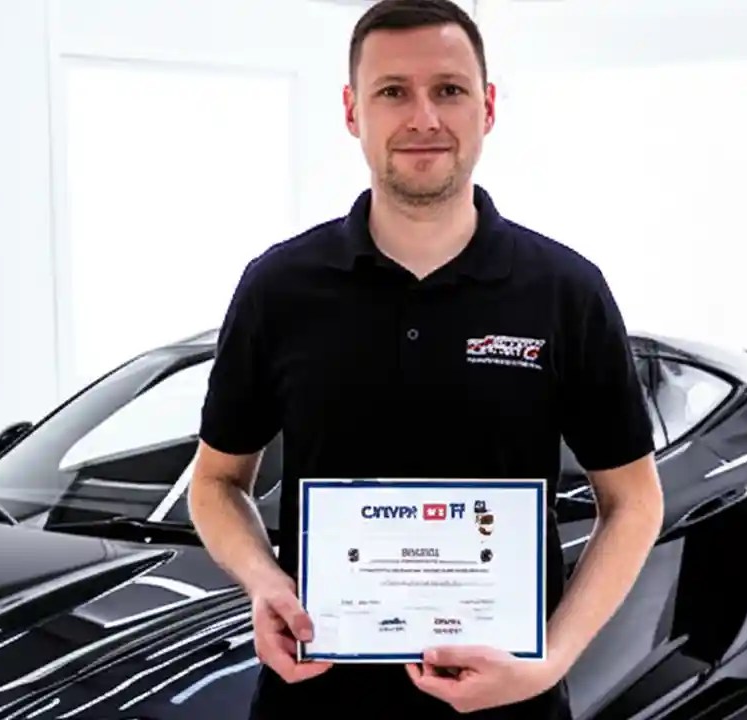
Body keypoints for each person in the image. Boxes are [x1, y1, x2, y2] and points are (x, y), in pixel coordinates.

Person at [188, 1, 665, 717]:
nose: (423, 118)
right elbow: (216, 484)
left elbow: (633, 502)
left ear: (488, 106)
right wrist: (265, 584)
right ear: (353, 112)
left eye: (448, 89)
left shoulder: (565, 291)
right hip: (315, 702)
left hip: (512, 706)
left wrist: (550, 661)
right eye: (392, 92)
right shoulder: (279, 288)